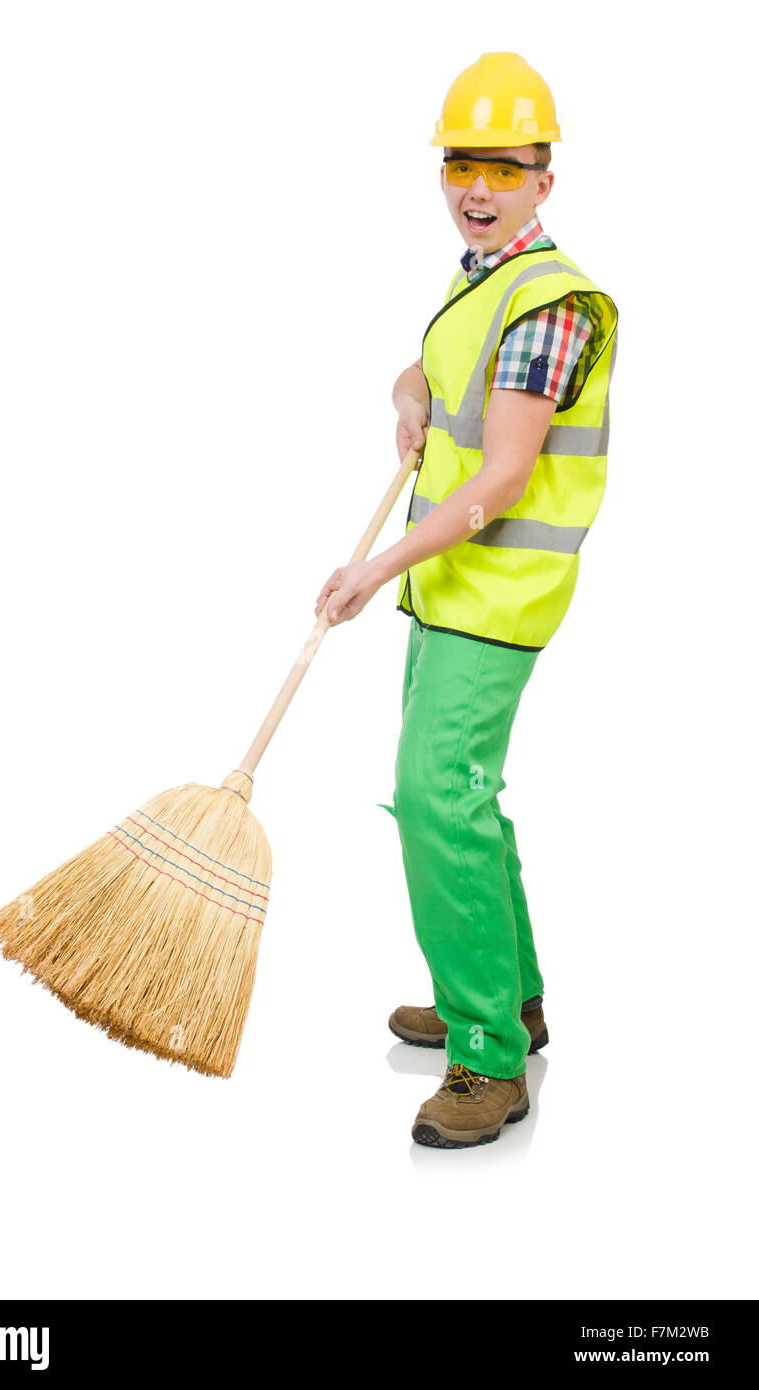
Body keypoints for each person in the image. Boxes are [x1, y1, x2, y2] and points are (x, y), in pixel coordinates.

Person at [315, 52, 618, 1148]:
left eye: (502, 166)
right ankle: (507, 992)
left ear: (545, 177)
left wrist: (369, 572)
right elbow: (430, 374)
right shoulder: (482, 276)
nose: (476, 186)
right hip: (450, 587)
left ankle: (487, 1056)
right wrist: (407, 400)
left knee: (435, 792)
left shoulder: (547, 304)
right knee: (458, 796)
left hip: (494, 591)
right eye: (460, 163)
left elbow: (497, 482)